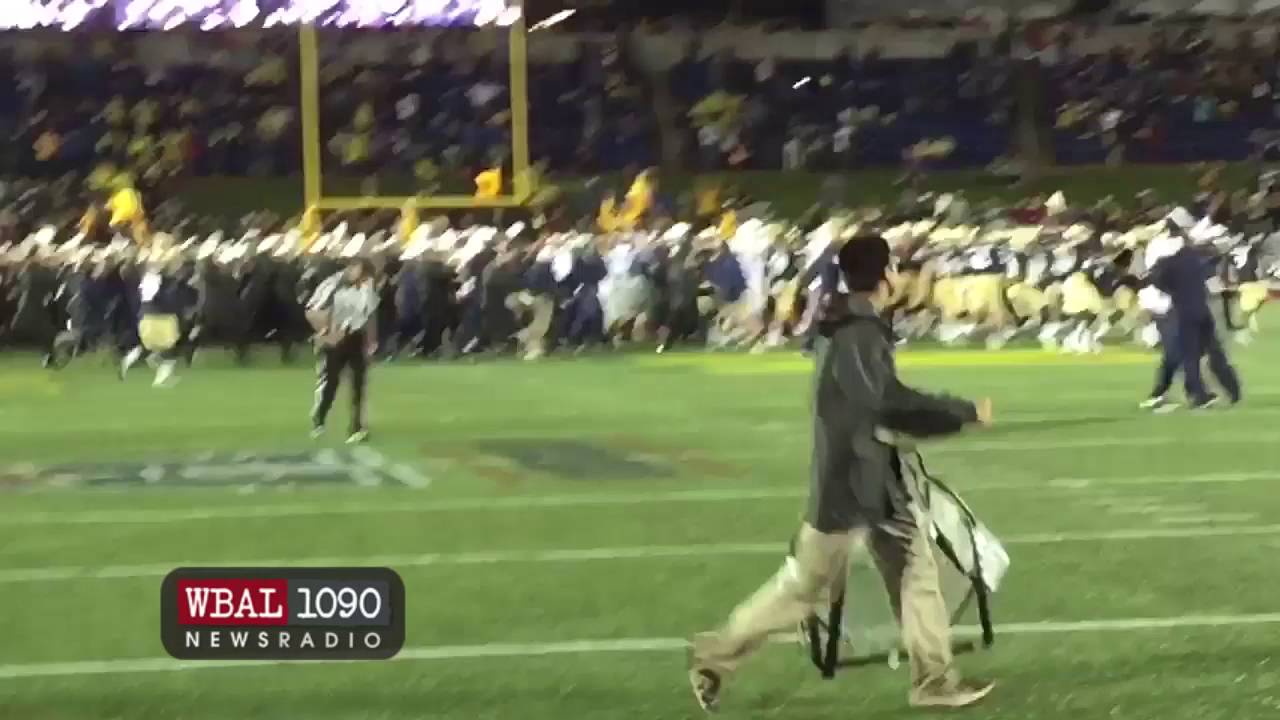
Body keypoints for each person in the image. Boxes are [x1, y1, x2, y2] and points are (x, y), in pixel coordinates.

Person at [688, 235, 996, 713]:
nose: (902, 274)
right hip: (854, 486)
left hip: (867, 481)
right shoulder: (859, 331)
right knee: (802, 591)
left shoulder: (849, 323)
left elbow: (880, 402)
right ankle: (712, 657)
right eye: (896, 265)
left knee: (914, 573)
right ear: (883, 274)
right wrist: (962, 411)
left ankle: (933, 680)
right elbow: (887, 403)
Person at [306, 258, 379, 444]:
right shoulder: (332, 285)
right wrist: (325, 333)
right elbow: (312, 311)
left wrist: (371, 342)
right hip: (334, 340)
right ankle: (319, 418)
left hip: (355, 338)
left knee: (358, 384)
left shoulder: (366, 287)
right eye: (362, 276)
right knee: (331, 384)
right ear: (352, 268)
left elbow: (370, 314)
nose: (364, 281)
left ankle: (357, 427)